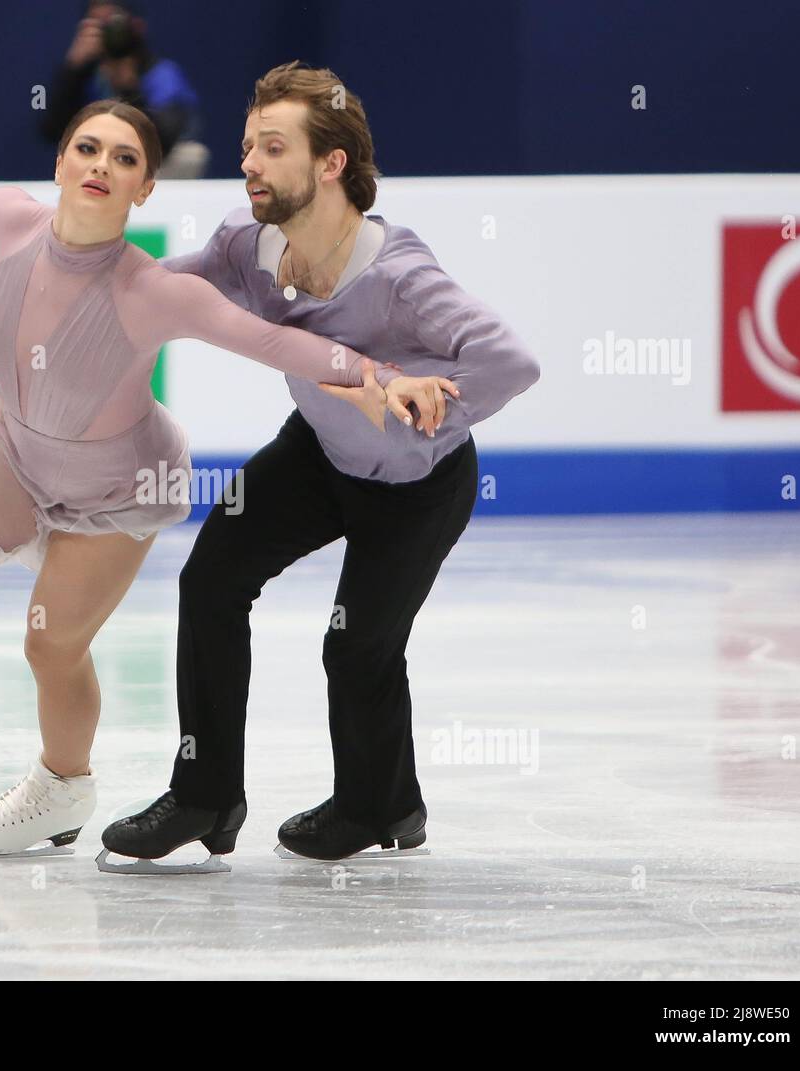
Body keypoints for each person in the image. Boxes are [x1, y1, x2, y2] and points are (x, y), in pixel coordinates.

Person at [0, 98, 405, 869]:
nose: (102, 164)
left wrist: (376, 376)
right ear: (61, 163)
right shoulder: (8, 220)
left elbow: (271, 342)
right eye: (88, 149)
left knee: (48, 642)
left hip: (117, 486)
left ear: (145, 190)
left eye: (125, 159)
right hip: (10, 454)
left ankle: (62, 788)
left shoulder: (155, 290)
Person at [100, 62, 542, 867]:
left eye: (273, 148)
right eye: (247, 147)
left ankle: (380, 807)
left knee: (357, 645)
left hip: (418, 483)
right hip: (317, 451)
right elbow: (164, 291)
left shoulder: (401, 279)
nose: (250, 164)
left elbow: (511, 361)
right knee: (209, 581)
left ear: (331, 163)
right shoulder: (245, 242)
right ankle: (207, 796)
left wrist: (436, 407)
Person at [40, 2, 204, 173]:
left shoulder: (163, 75)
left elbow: (162, 143)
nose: (107, 33)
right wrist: (72, 71)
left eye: (113, 24)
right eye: (98, 24)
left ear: (137, 26)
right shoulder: (85, 77)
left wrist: (129, 89)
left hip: (157, 174)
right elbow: (52, 130)